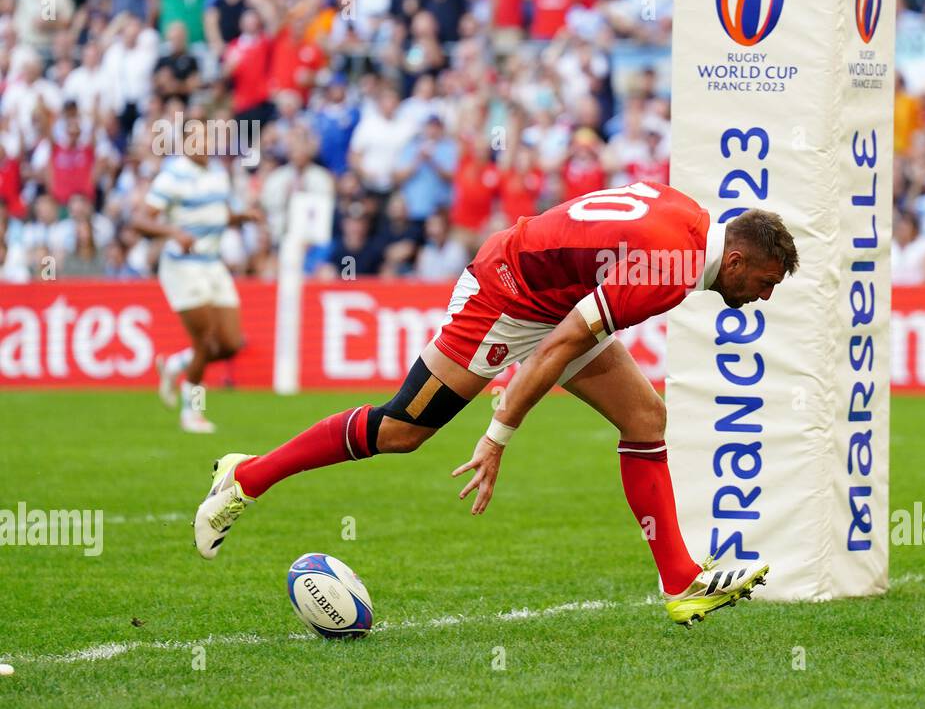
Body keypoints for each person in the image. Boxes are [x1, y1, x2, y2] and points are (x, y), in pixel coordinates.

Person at [194, 183, 798, 627]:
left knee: (645, 418)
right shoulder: (671, 268)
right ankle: (245, 476)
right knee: (402, 430)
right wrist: (497, 434)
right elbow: (561, 346)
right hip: (505, 296)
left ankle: (682, 581)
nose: (764, 296)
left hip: (554, 296)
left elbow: (584, 282)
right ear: (738, 261)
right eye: (766, 282)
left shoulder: (690, 218)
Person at [132, 127, 256, 432]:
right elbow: (139, 220)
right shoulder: (172, 176)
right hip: (183, 267)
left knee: (229, 344)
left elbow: (218, 214)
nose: (204, 145)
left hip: (213, 264)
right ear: (184, 143)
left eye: (207, 139)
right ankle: (192, 412)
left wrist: (244, 216)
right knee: (204, 340)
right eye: (197, 140)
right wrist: (173, 232)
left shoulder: (217, 173)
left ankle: (175, 365)